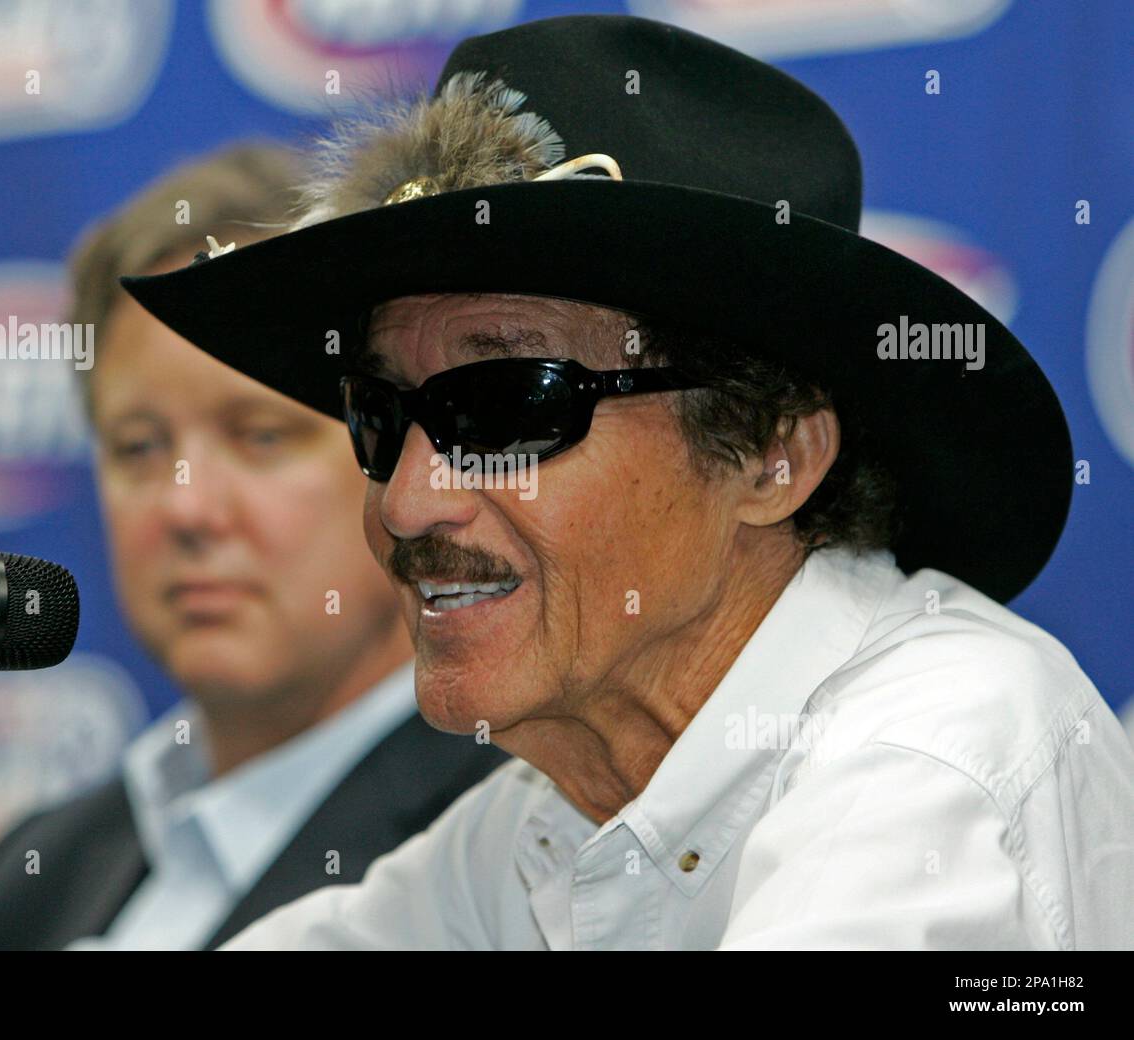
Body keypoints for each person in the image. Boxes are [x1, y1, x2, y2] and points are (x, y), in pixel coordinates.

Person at [122, 17, 1134, 950]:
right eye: (380, 417)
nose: (406, 500)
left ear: (770, 452)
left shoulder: (929, 746)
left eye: (508, 403)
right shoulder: (538, 825)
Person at [0, 145, 507, 951]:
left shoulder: (511, 843)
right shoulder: (36, 868)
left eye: (260, 436)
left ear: (390, 449)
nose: (187, 507)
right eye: (138, 447)